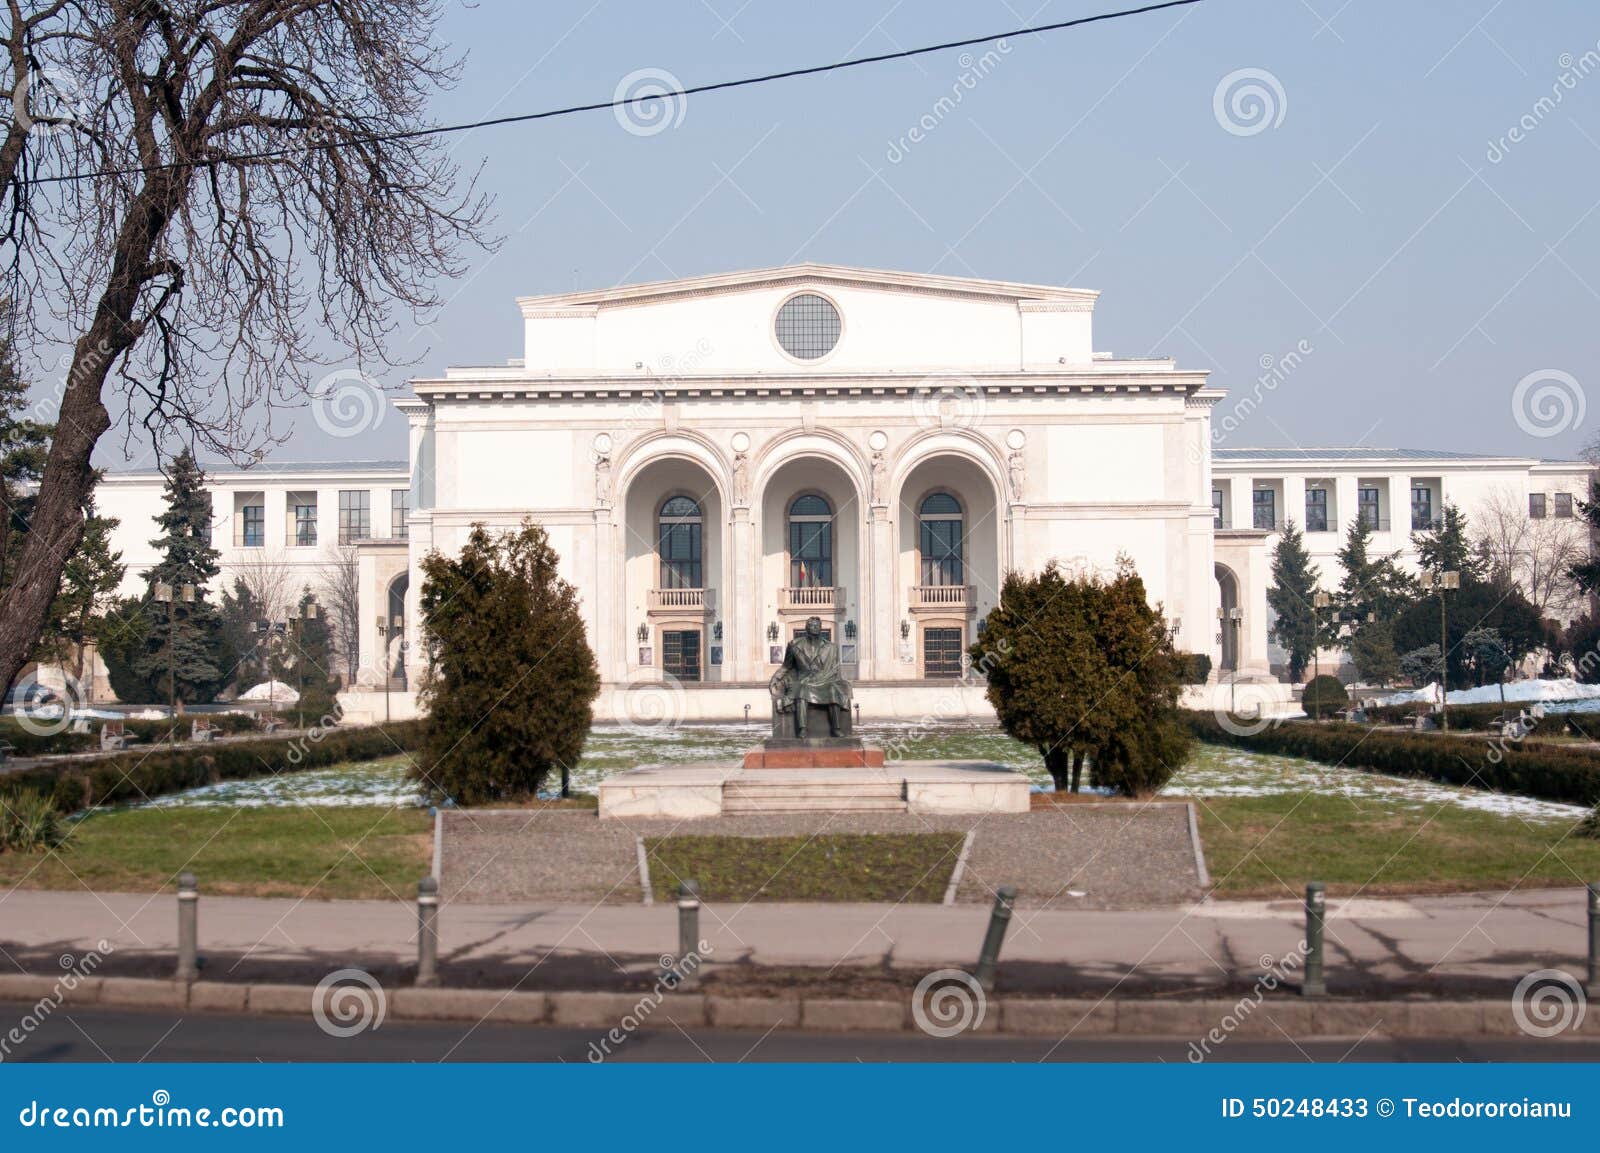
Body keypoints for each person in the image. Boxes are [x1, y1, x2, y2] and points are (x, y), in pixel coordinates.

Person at [770, 616, 852, 737]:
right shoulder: (794, 645)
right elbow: (786, 666)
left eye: (817, 625)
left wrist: (840, 681)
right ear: (806, 628)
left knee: (833, 689)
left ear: (821, 628)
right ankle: (802, 729)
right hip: (804, 680)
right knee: (802, 689)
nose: (815, 627)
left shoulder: (831, 647)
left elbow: (835, 669)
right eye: (812, 625)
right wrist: (776, 678)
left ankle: (836, 728)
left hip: (824, 680)